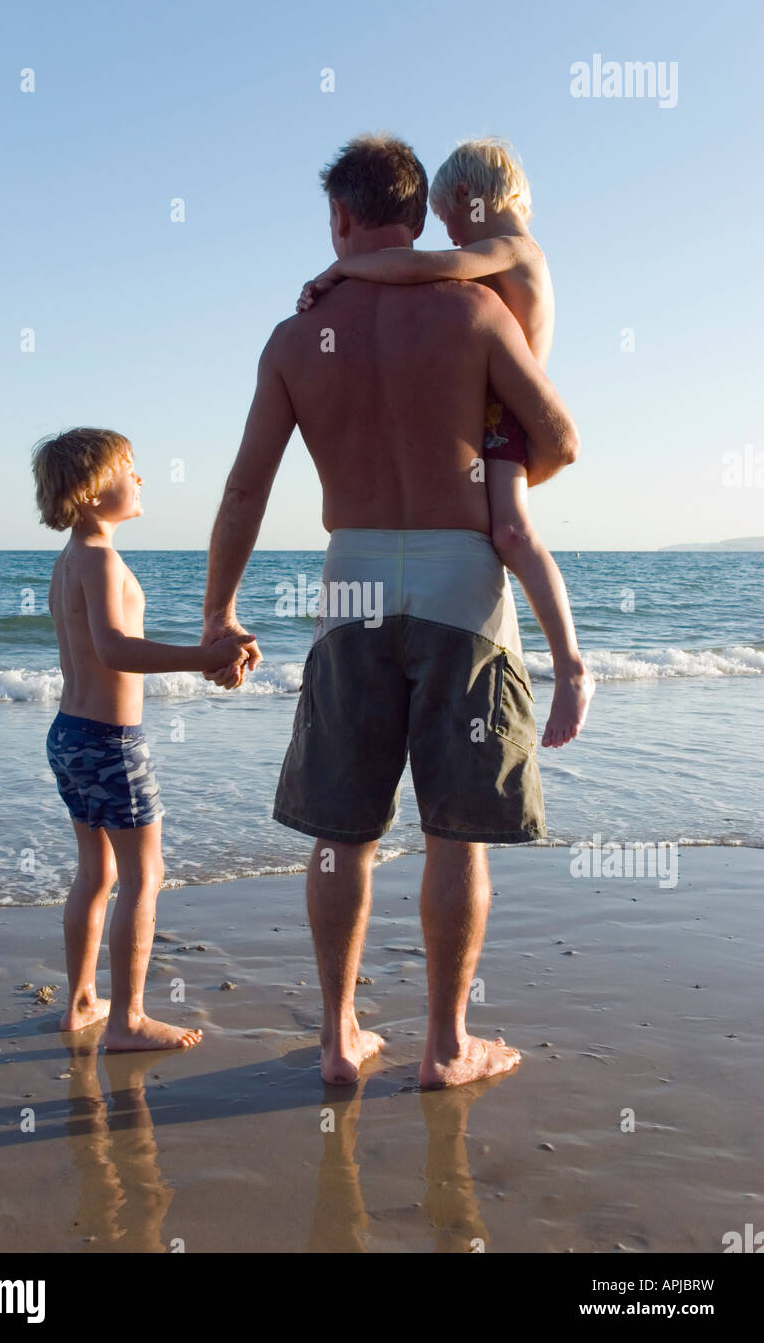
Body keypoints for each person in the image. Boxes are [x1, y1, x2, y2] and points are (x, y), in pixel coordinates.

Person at [200, 134, 580, 1088]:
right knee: (452, 831)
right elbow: (562, 437)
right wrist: (497, 478)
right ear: (422, 217)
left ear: (341, 220)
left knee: (345, 829)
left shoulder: (297, 336)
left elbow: (245, 491)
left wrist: (219, 614)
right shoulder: (479, 309)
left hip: (352, 580)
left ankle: (339, 1038)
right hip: (462, 583)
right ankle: (448, 1046)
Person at [297, 137, 594, 747]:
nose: (451, 236)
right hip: (491, 414)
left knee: (512, 533)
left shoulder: (509, 248)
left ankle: (570, 666)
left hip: (504, 415)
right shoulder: (512, 249)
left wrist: (343, 269)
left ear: (467, 196)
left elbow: (427, 267)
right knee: (502, 529)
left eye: (450, 220)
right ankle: (565, 663)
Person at [32, 426, 253, 1050]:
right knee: (142, 877)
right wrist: (204, 655)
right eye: (130, 467)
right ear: (92, 487)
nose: (140, 477)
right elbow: (115, 649)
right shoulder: (99, 558)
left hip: (70, 735)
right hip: (109, 744)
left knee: (95, 872)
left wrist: (206, 653)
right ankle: (128, 1020)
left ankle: (80, 1001)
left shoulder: (71, 558)